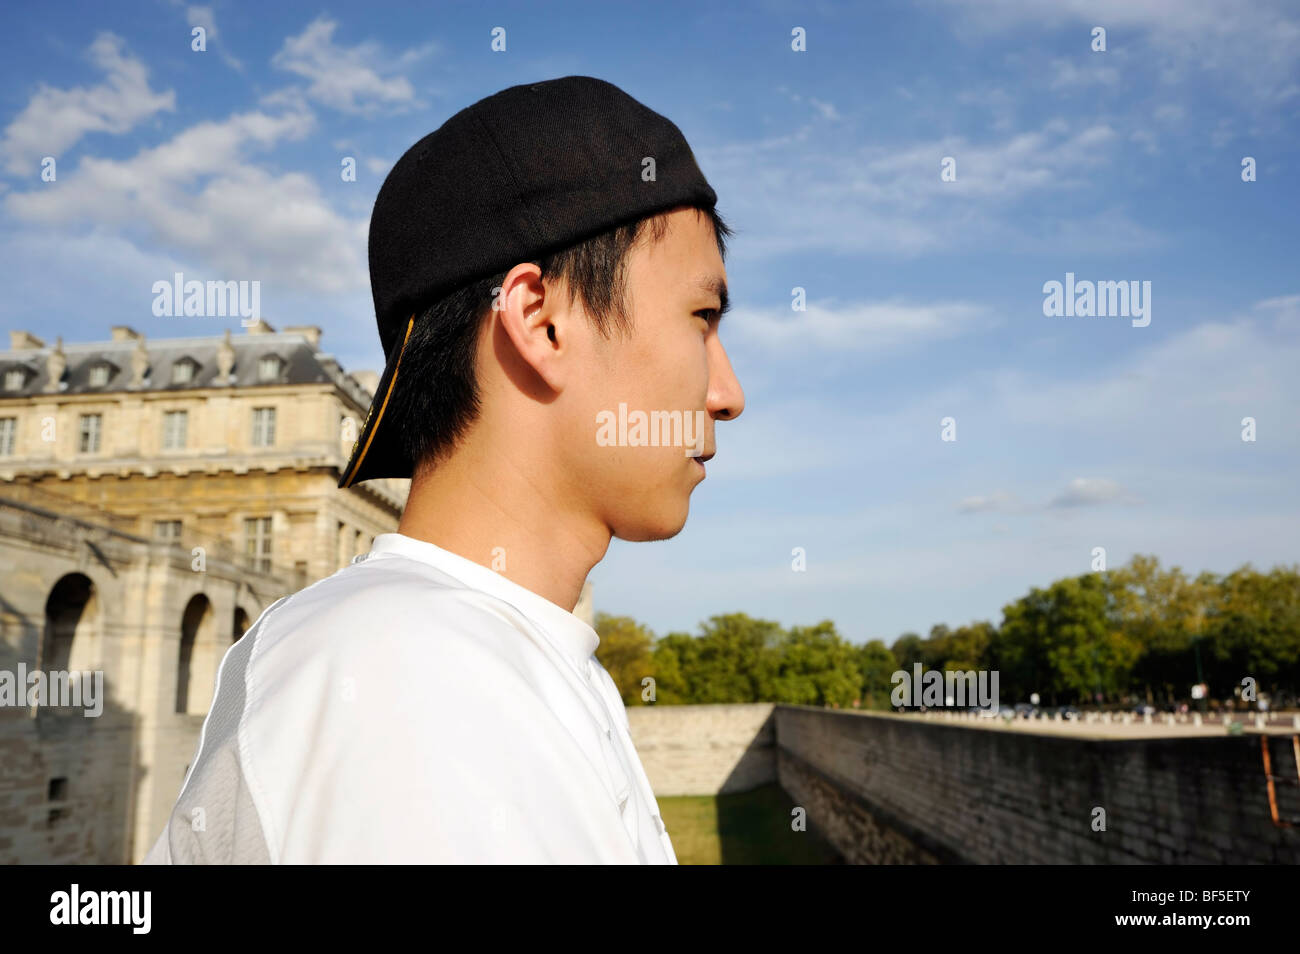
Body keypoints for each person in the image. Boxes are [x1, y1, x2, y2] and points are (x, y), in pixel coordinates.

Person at [142, 75, 744, 864]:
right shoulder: (417, 679)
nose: (727, 394)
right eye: (701, 318)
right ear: (540, 321)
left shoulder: (468, 653)